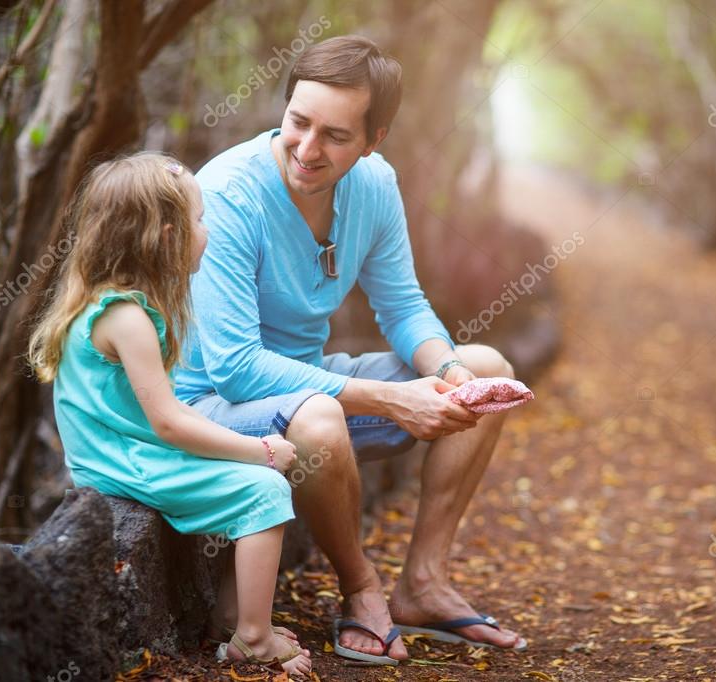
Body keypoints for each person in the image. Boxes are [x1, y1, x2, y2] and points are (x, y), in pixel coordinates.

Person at [176, 35, 526, 664]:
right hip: (210, 407)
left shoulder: (375, 186)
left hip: (309, 390)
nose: (307, 150)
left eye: (335, 136)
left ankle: (423, 584)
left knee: (483, 368)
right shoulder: (227, 194)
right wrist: (391, 399)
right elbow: (232, 368)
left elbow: (402, 306)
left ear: (374, 139)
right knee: (320, 413)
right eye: (297, 123)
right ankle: (360, 588)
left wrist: (445, 375)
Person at [28, 152, 313, 678]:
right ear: (164, 236)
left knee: (251, 478)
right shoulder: (127, 317)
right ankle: (252, 638)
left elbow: (162, 413)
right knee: (265, 487)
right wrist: (260, 449)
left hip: (120, 455)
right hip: (126, 464)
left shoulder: (112, 305)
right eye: (199, 221)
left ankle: (228, 617)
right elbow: (167, 423)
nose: (207, 230)